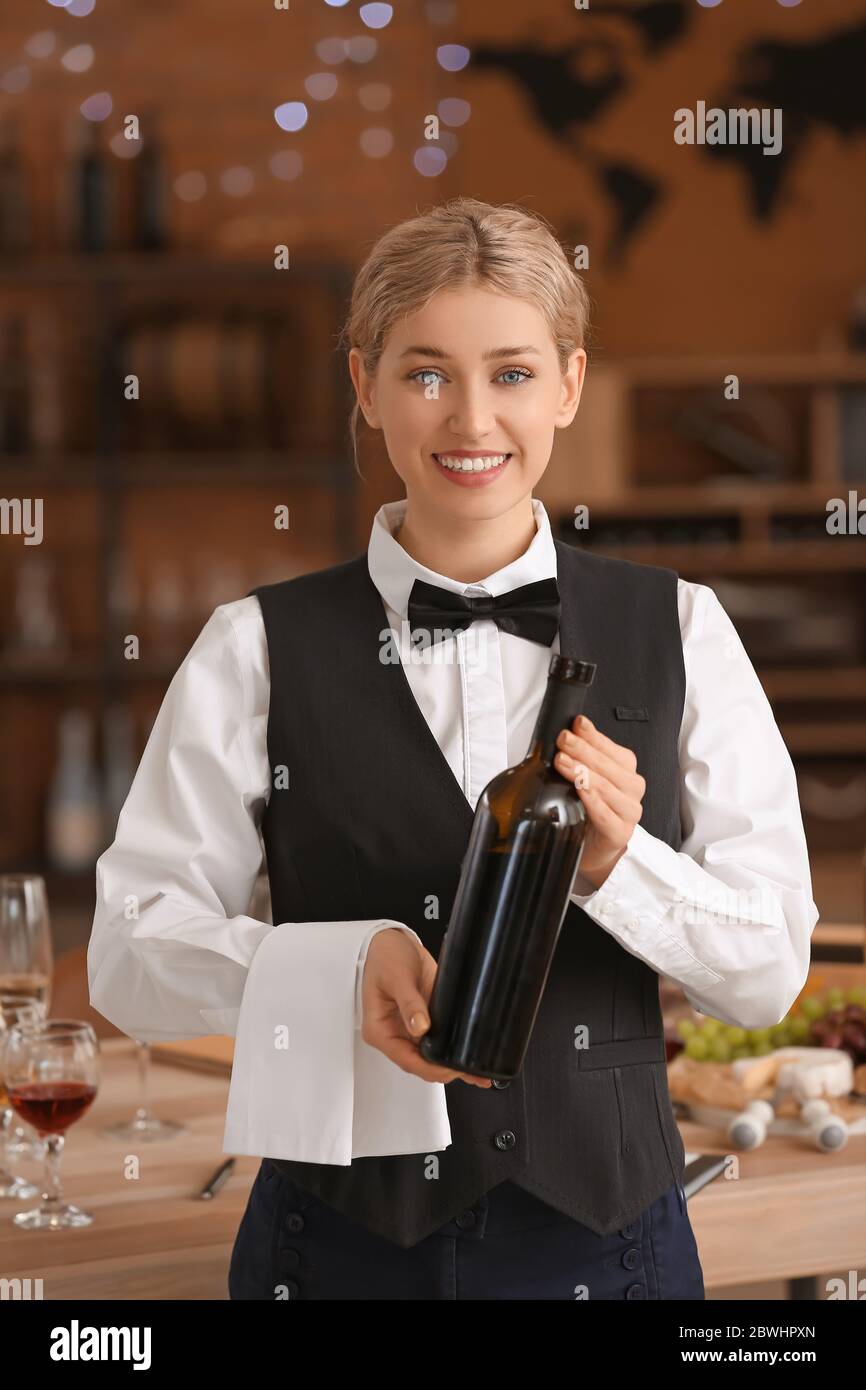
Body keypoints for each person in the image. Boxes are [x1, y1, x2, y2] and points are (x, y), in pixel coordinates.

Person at [89, 197, 818, 1300]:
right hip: (335, 1247)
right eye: (425, 373)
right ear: (364, 386)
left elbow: (765, 976)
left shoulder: (680, 627)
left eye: (513, 373)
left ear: (569, 385)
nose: (470, 419)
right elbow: (127, 955)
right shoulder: (255, 646)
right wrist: (334, 969)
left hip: (609, 1245)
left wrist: (626, 869)